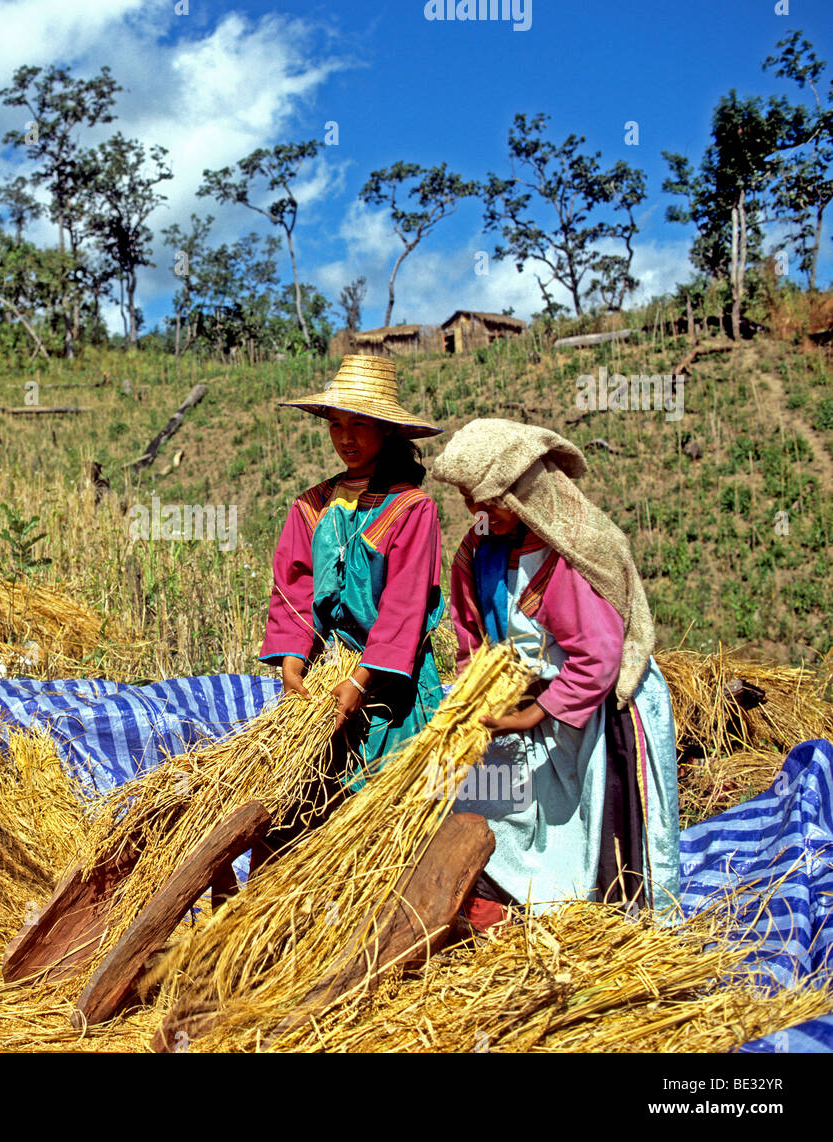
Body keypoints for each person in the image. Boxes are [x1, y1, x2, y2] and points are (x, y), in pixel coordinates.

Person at [429, 418, 680, 927]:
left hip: (595, 708)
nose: (476, 512)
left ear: (523, 492)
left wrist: (536, 713)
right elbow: (470, 633)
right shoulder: (479, 552)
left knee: (590, 833)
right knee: (477, 791)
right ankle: (500, 902)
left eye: (487, 500)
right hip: (520, 701)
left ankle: (592, 919)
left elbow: (598, 656)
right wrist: (479, 697)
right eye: (466, 499)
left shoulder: (573, 554)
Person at [225, 354, 445, 891]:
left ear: (388, 430)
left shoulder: (411, 509)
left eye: (360, 424)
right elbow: (293, 590)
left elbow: (404, 606)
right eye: (336, 424)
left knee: (386, 804)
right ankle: (279, 924)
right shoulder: (311, 504)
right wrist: (294, 663)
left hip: (392, 684)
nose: (345, 438)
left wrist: (361, 679)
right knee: (298, 804)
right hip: (321, 682)